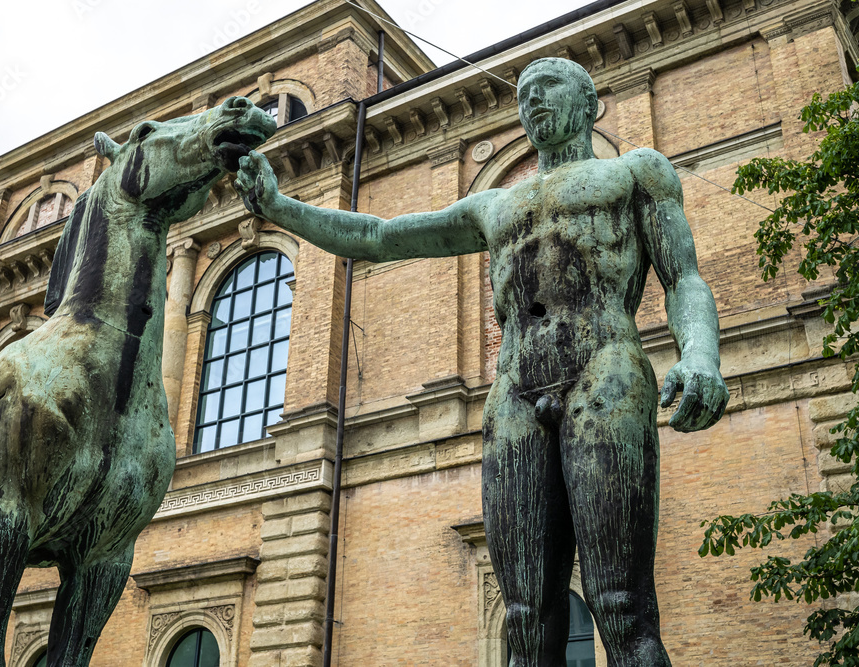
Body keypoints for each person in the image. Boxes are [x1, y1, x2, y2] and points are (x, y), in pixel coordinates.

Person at [234, 57, 728, 666]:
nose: (532, 101)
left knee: (620, 602)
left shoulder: (635, 174)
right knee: (523, 618)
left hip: (606, 372)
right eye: (523, 94)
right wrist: (281, 209)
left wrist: (701, 354)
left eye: (548, 88)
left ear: (587, 102)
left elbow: (684, 279)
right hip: (514, 392)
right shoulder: (493, 207)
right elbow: (380, 236)